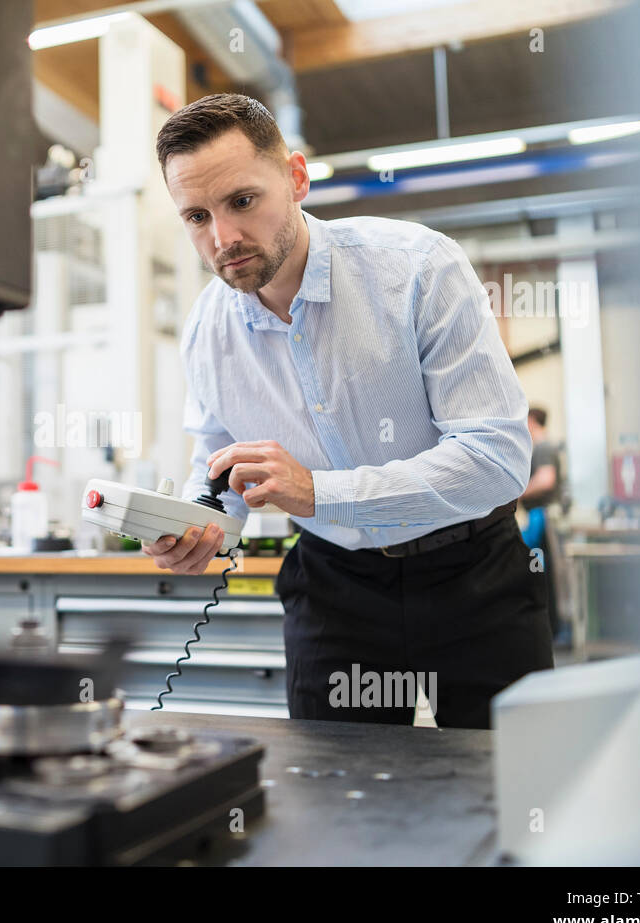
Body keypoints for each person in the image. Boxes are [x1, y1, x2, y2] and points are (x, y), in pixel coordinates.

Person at [140, 94, 552, 729]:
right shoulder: (207, 330)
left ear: (297, 178)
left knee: (514, 793)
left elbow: (496, 461)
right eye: (197, 216)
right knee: (333, 801)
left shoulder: (418, 269)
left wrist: (321, 491)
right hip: (336, 593)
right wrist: (199, 529)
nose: (223, 238)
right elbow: (219, 475)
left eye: (242, 202)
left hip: (474, 581)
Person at [520, 406, 564, 640]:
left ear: (532, 421)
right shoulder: (541, 447)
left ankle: (550, 628)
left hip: (542, 518)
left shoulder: (544, 447)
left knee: (540, 573)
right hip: (538, 517)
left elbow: (546, 480)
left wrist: (520, 491)